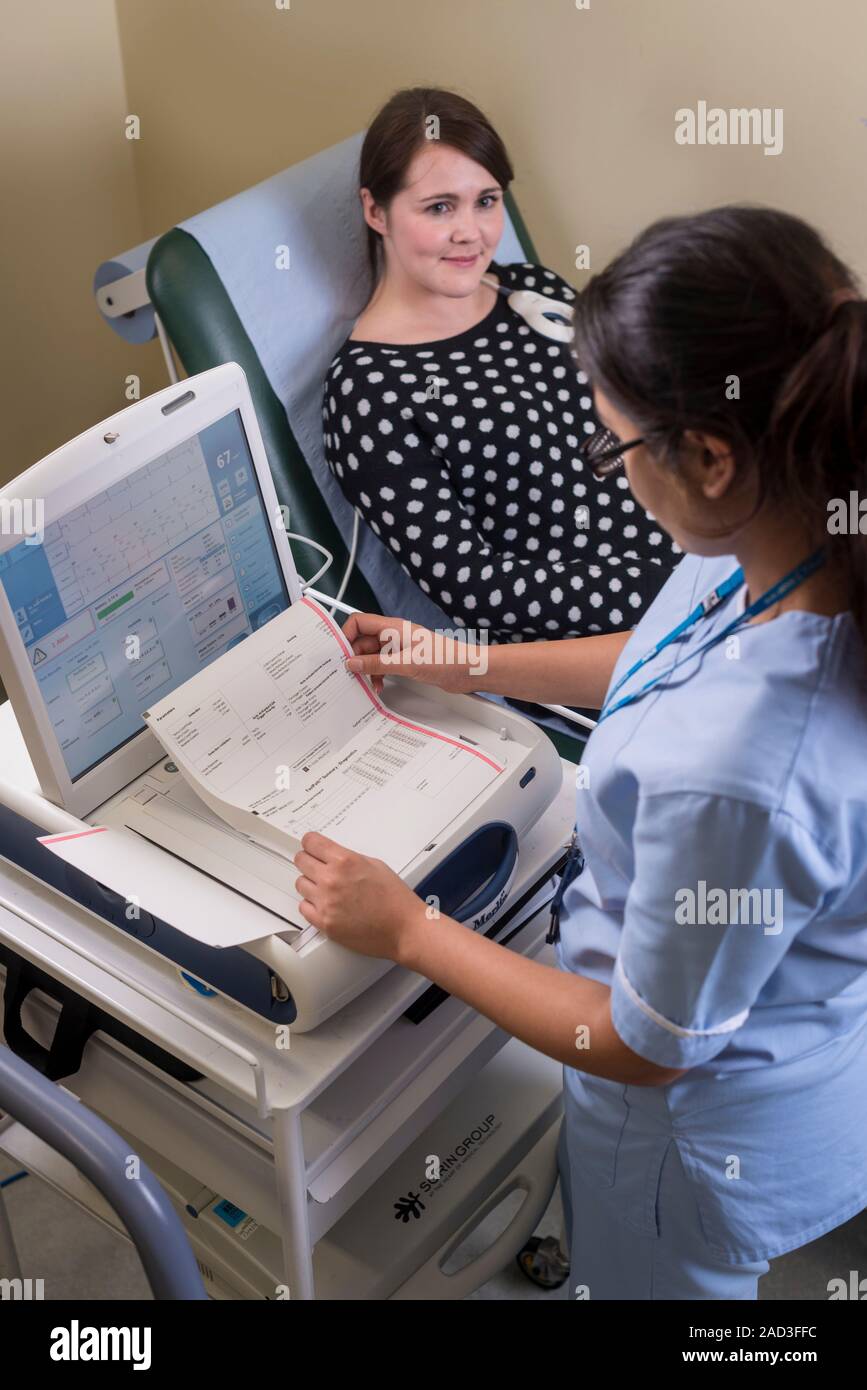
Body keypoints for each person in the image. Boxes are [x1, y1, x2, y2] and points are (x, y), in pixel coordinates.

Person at [297, 205, 867, 1299]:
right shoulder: (786, 529)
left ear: (705, 454)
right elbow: (662, 660)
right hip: (793, 1026)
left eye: (611, 441)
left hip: (685, 1127)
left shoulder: (742, 774)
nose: (605, 463)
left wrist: (409, 929)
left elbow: (648, 1044)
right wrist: (461, 658)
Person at [322, 87, 680, 644]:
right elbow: (478, 589)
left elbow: (647, 414)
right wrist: (673, 594)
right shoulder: (368, 393)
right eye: (440, 207)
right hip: (602, 643)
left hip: (709, 564)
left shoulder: (533, 288)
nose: (472, 231)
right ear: (376, 210)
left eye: (486, 201)